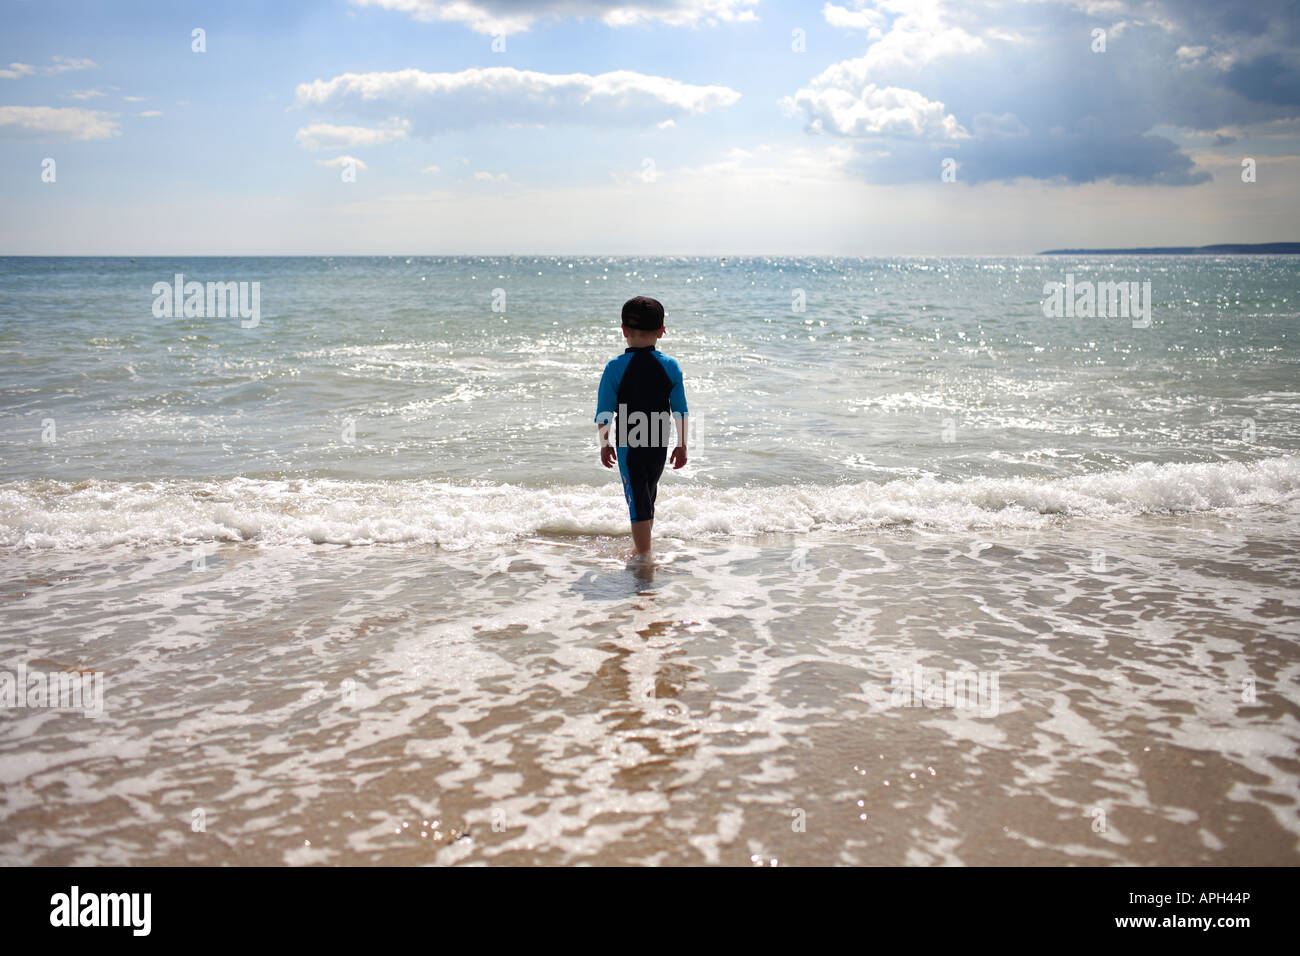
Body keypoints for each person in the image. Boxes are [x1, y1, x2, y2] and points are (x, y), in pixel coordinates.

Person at [594, 296, 688, 555]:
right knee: (648, 495)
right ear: (662, 331)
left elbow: (604, 413)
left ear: (623, 330)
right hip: (659, 439)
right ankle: (643, 552)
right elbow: (681, 411)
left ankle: (645, 562)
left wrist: (605, 444)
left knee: (637, 503)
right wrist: (682, 445)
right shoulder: (670, 366)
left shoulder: (615, 367)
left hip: (630, 442)